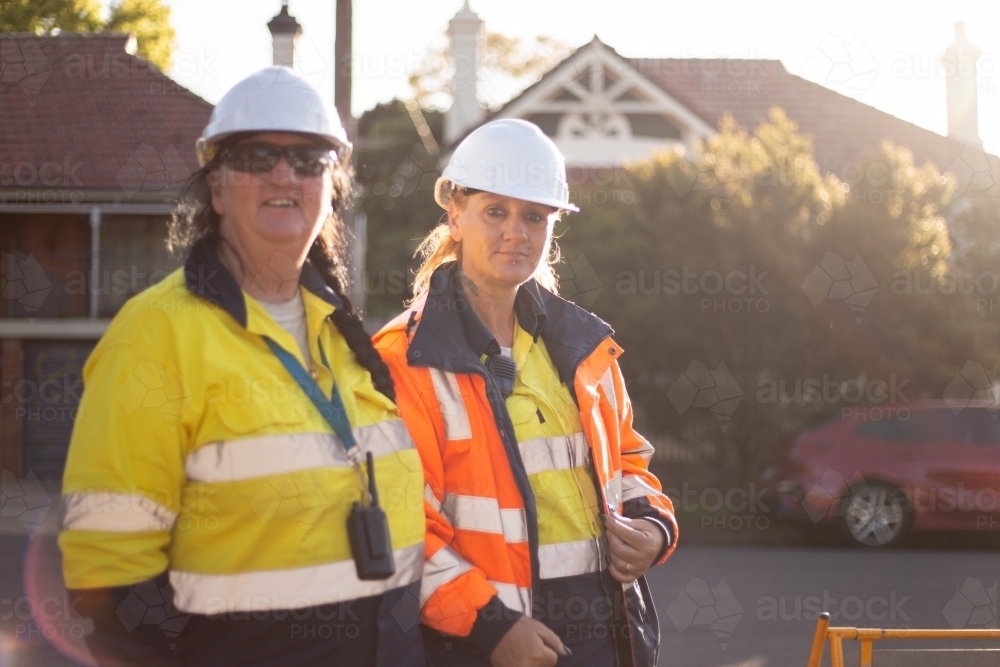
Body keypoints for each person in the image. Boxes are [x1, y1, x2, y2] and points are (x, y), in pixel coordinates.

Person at [58, 67, 425, 667]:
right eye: (257, 156)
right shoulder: (154, 335)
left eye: (309, 159)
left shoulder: (346, 337)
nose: (285, 174)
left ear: (331, 185)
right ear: (218, 189)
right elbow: (110, 582)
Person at [374, 119, 678, 667]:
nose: (516, 232)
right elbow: (398, 523)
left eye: (534, 216)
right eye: (496, 211)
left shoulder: (583, 349)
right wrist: (490, 627)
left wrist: (653, 525)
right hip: (487, 640)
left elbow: (628, 460)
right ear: (456, 217)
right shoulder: (403, 359)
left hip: (606, 628)